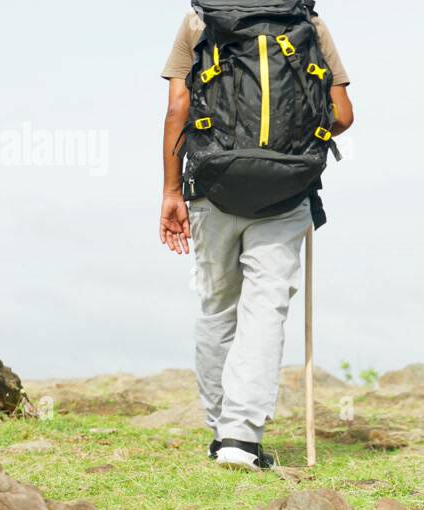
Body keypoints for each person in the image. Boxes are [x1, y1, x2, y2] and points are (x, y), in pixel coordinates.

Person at [159, 1, 354, 471]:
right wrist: (292, 151)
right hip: (286, 192)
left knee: (217, 307)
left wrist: (170, 191)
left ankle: (218, 429)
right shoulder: (309, 24)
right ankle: (241, 437)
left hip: (211, 186)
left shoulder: (198, 21)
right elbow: (343, 114)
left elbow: (177, 109)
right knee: (266, 308)